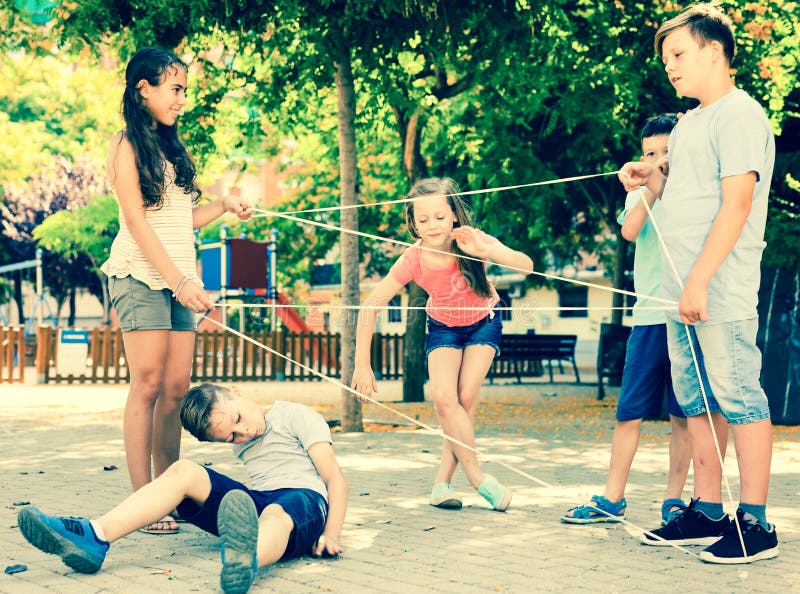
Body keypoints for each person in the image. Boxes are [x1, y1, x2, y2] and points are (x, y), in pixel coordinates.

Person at [619, 3, 778, 564]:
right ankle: (707, 510)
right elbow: (682, 193)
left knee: (739, 398)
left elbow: (735, 205)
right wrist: (648, 176)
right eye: (666, 60)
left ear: (715, 51)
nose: (671, 67)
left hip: (718, 289)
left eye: (679, 54)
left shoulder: (739, 115)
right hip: (678, 291)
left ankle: (756, 523)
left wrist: (701, 281)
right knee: (697, 402)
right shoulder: (688, 123)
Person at [101, 47, 252, 534]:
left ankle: (170, 489)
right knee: (146, 384)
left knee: (174, 390)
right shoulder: (126, 145)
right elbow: (138, 222)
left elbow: (179, 220)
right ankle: (144, 501)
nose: (182, 99)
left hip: (178, 276)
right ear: (143, 89)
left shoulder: (171, 149)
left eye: (184, 90)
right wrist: (181, 281)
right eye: (175, 89)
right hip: (141, 275)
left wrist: (223, 206)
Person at [17, 383, 347, 594]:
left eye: (236, 420)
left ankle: (244, 560)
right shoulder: (243, 438)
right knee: (184, 470)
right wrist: (165, 501)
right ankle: (93, 535)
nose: (243, 432)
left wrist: (331, 533)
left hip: (305, 501)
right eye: (231, 437)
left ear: (237, 392)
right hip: (257, 502)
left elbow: (334, 479)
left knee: (275, 514)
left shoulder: (295, 415)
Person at [351, 177, 533, 511]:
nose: (432, 225)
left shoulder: (471, 241)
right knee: (443, 399)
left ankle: (444, 483)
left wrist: (488, 250)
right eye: (422, 220)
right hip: (444, 328)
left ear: (453, 215)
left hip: (484, 323)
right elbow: (370, 305)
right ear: (412, 223)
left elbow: (527, 265)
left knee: (463, 399)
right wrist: (362, 363)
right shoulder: (413, 259)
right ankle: (473, 480)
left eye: (439, 216)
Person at [563, 113, 708, 527]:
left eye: (668, 151)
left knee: (684, 415)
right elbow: (629, 232)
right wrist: (646, 186)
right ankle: (613, 498)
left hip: (687, 317)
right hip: (647, 319)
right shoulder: (639, 193)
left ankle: (674, 499)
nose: (659, 158)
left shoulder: (694, 192)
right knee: (629, 412)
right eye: (650, 152)